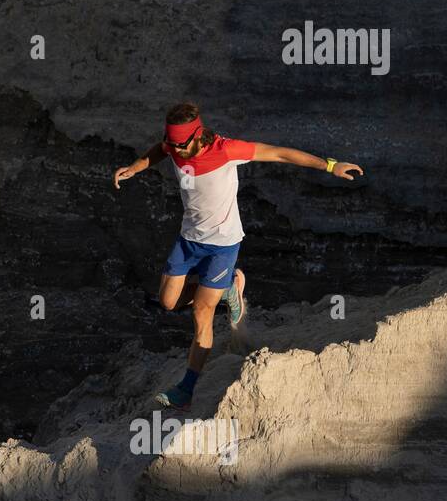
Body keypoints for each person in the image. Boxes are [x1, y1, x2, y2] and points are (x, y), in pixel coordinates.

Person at [113, 103, 363, 410]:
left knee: (201, 312)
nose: (176, 149)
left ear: (198, 135)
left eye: (181, 144)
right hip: (188, 240)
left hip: (222, 245)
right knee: (167, 302)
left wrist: (329, 165)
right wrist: (135, 168)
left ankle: (186, 389)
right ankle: (228, 289)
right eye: (172, 143)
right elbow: (160, 150)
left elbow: (280, 153)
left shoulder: (226, 150)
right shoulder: (175, 144)